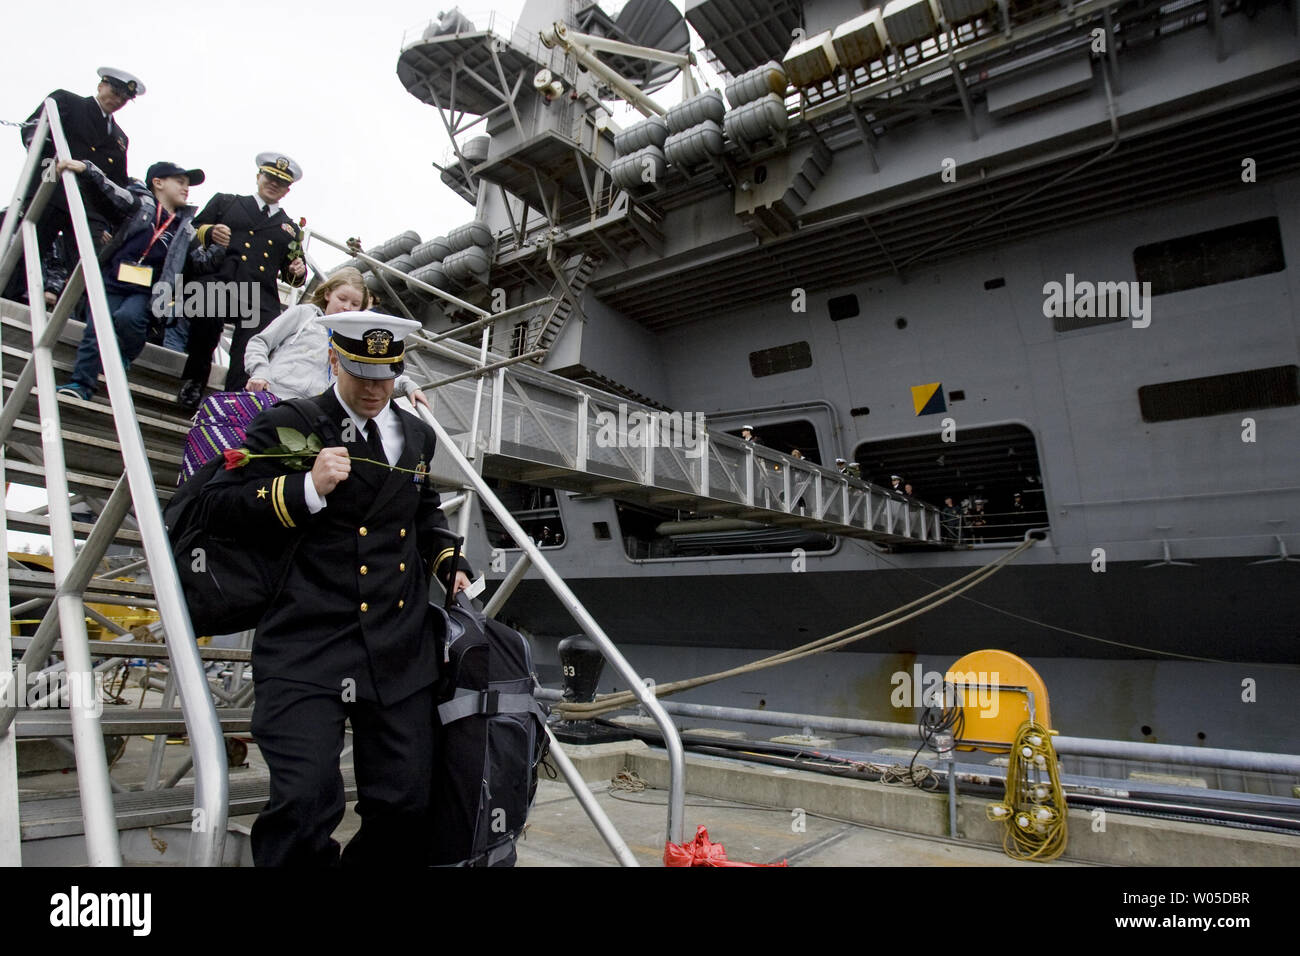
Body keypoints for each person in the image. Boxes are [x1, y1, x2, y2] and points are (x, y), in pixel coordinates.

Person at [197, 311, 472, 867]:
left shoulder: (415, 435)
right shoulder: (289, 420)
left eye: (385, 376)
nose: (374, 389)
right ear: (333, 361)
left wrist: (449, 562)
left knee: (405, 802)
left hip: (396, 646)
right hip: (308, 640)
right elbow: (217, 507)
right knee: (303, 801)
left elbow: (422, 517)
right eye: (360, 373)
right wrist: (305, 488)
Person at [53, 158, 220, 401]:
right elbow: (110, 192)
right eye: (180, 182)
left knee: (129, 318)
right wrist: (88, 169)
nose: (186, 189)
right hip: (113, 281)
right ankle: (81, 384)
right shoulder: (140, 204)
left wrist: (219, 248)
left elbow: (199, 264)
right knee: (96, 330)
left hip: (147, 292)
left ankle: (122, 357)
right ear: (158, 182)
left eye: (188, 185)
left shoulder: (185, 228)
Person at [175, 152, 307, 407]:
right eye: (269, 177)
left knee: (251, 347)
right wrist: (210, 232)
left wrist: (298, 271)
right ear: (259, 177)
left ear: (287, 190)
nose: (273, 184)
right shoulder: (227, 203)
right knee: (206, 315)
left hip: (258, 292)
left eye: (281, 182)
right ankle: (193, 381)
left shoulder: (290, 228)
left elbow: (294, 276)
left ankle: (232, 399)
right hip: (221, 280)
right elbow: (191, 230)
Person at [5, 67, 144, 306]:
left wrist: (110, 222)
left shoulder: (120, 138)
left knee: (87, 265)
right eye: (115, 91)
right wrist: (50, 168)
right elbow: (35, 131)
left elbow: (117, 182)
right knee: (26, 250)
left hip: (88, 208)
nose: (118, 100)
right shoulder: (68, 101)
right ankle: (7, 300)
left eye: (124, 98)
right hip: (51, 192)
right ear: (101, 85)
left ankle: (72, 314)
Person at [243, 267, 429, 407]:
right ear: (327, 293)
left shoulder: (354, 339)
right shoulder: (303, 314)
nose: (347, 307)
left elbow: (372, 371)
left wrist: (407, 384)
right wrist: (260, 373)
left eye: (355, 304)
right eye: (342, 299)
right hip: (274, 397)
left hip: (314, 409)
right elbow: (259, 342)